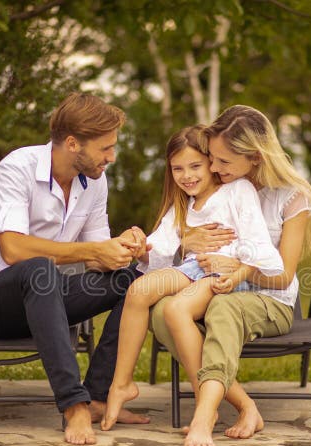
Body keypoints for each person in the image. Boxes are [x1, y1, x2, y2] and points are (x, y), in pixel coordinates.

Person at [0, 92, 151, 446]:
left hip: (45, 297)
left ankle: (99, 397)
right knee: (38, 268)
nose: (111, 157)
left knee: (134, 282)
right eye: (105, 148)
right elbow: (12, 249)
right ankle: (74, 406)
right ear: (73, 144)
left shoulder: (95, 181)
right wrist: (92, 250)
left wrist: (123, 247)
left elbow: (95, 258)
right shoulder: (17, 169)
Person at [150, 105, 311, 446]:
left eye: (223, 162)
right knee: (162, 310)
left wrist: (239, 271)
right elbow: (187, 245)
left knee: (223, 310)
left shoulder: (291, 198)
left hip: (270, 299)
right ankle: (245, 405)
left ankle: (203, 414)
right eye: (211, 158)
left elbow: (284, 276)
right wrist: (189, 242)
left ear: (255, 157)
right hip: (214, 286)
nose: (213, 167)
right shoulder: (219, 189)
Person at [101, 125, 284, 430]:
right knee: (138, 290)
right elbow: (158, 245)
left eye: (196, 166)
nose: (187, 175)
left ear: (211, 163)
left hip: (228, 273)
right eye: (178, 169)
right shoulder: (183, 205)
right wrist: (138, 244)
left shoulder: (237, 190)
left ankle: (205, 404)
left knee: (177, 309)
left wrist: (236, 265)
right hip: (193, 270)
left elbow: (256, 240)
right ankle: (121, 384)